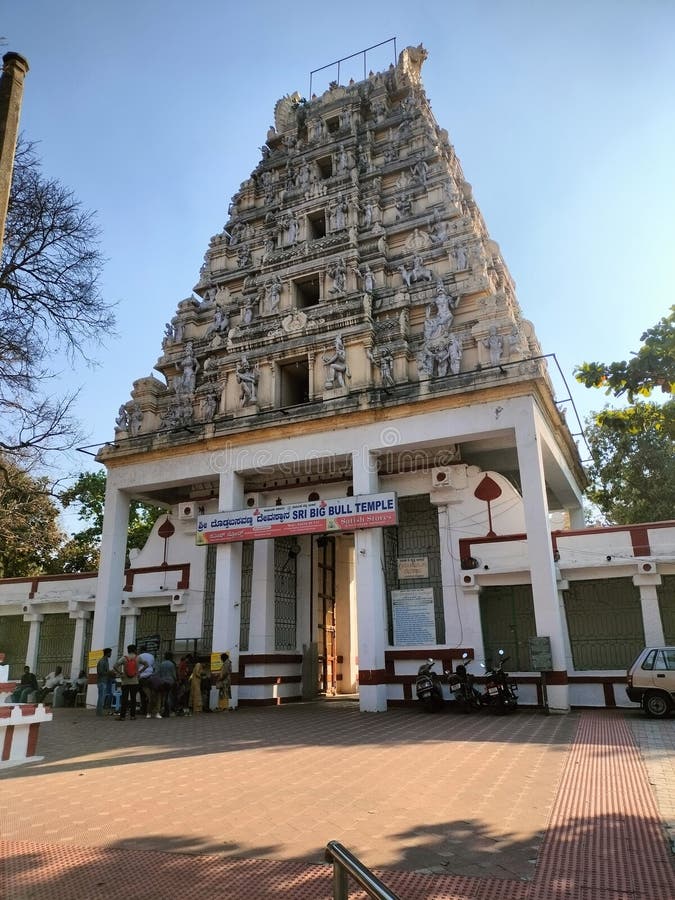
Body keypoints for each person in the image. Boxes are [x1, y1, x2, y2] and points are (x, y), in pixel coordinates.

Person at [113, 644, 139, 720]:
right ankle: (133, 716)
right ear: (135, 650)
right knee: (133, 699)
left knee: (124, 699)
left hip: (125, 682)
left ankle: (122, 716)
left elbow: (115, 666)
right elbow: (146, 664)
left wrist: (120, 673)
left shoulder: (124, 658)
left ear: (128, 650)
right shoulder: (138, 658)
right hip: (135, 682)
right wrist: (139, 672)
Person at [137, 648, 162, 719]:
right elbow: (154, 667)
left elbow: (137, 667)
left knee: (143, 695)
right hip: (151, 677)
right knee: (152, 695)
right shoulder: (151, 656)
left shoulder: (139, 657)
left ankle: (145, 710)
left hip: (141, 678)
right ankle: (153, 711)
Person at [96, 647, 114, 716]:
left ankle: (99, 712)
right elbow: (100, 672)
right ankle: (99, 713)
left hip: (104, 681)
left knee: (102, 697)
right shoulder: (102, 661)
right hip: (101, 681)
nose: (111, 654)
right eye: (110, 653)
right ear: (108, 653)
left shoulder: (106, 661)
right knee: (101, 697)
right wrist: (109, 672)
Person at [159, 651, 177, 718]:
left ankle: (163, 711)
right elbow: (174, 674)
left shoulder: (162, 663)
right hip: (170, 682)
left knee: (164, 696)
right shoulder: (171, 664)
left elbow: (159, 673)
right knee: (169, 696)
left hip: (163, 681)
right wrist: (176, 680)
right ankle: (168, 711)